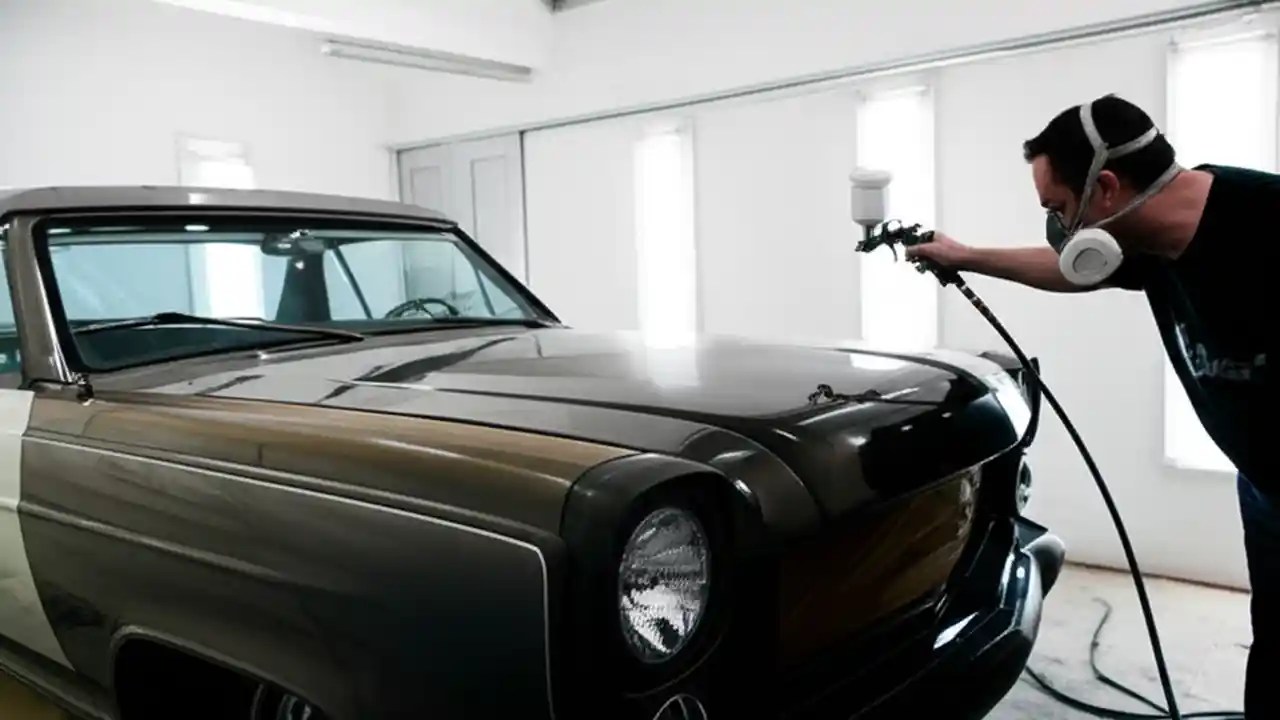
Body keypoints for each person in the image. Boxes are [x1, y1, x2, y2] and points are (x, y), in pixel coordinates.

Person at [906, 94, 1271, 715]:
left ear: (1105, 187)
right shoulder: (1149, 241)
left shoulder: (1264, 218)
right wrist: (962, 256)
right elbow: (1068, 269)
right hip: (1263, 485)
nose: (1057, 225)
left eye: (1057, 207)